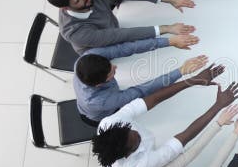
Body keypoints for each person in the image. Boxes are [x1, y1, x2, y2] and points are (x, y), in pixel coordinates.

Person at [93, 69, 238, 167]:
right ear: (128, 154)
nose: (137, 133)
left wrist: (193, 80)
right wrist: (218, 106)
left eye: (130, 130)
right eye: (136, 141)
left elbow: (151, 100)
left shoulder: (109, 124)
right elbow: (185, 136)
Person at [45, 0, 195, 54]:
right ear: (65, 8)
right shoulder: (74, 32)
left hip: (113, 26)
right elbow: (118, 36)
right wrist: (166, 28)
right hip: (101, 51)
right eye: (79, 0)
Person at [73, 45, 205, 123]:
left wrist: (166, 42)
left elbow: (121, 49)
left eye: (111, 65)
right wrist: (181, 71)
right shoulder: (100, 101)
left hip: (95, 101)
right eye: (111, 73)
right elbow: (141, 90)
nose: (116, 67)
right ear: (99, 84)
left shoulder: (84, 60)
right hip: (102, 115)